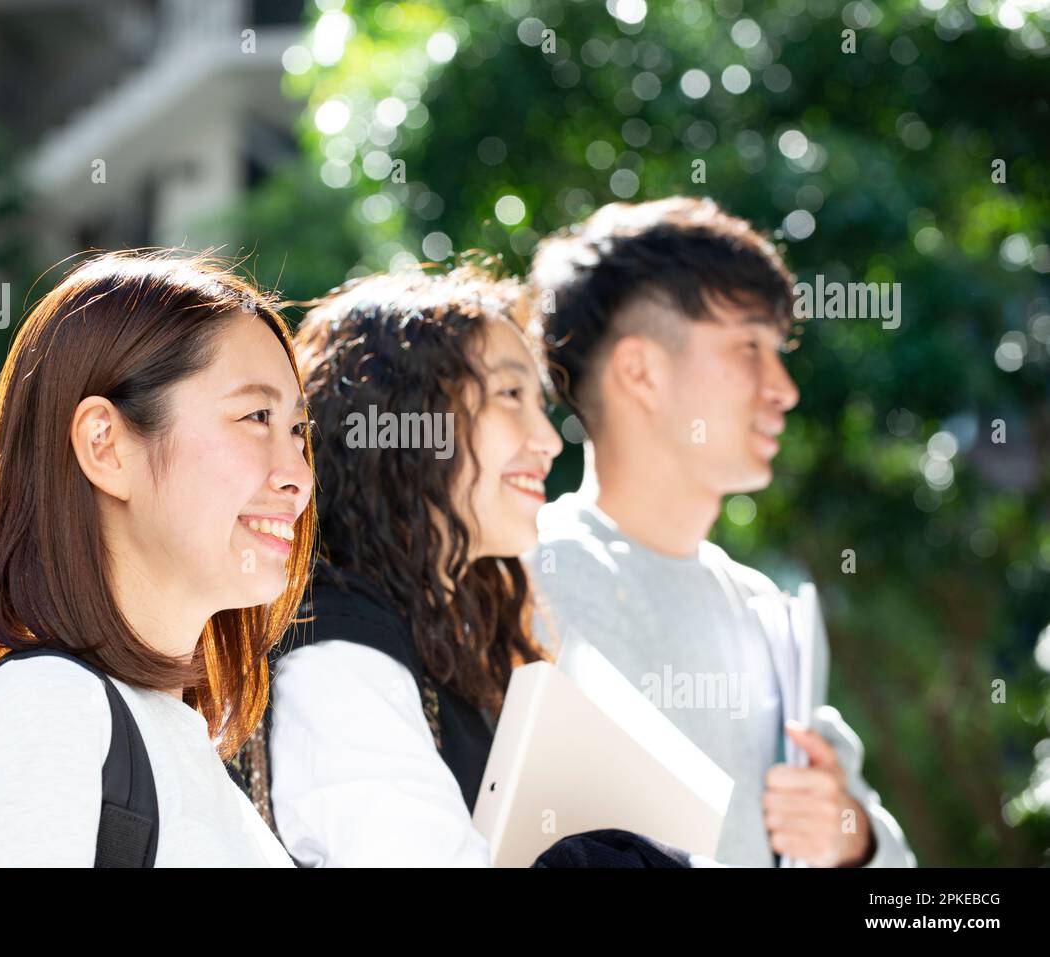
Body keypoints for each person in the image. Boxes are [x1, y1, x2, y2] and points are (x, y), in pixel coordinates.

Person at [526, 197, 915, 867]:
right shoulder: (546, 575)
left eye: (777, 349)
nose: (784, 388)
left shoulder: (766, 605)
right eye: (748, 346)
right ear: (641, 370)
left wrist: (852, 837)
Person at [0, 251, 314, 866]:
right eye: (256, 416)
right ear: (107, 446)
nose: (298, 477)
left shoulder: (176, 748)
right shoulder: (48, 709)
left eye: (298, 432)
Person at [267, 265, 615, 865]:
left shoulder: (459, 636)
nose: (549, 440)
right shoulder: (336, 646)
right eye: (511, 396)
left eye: (542, 404)